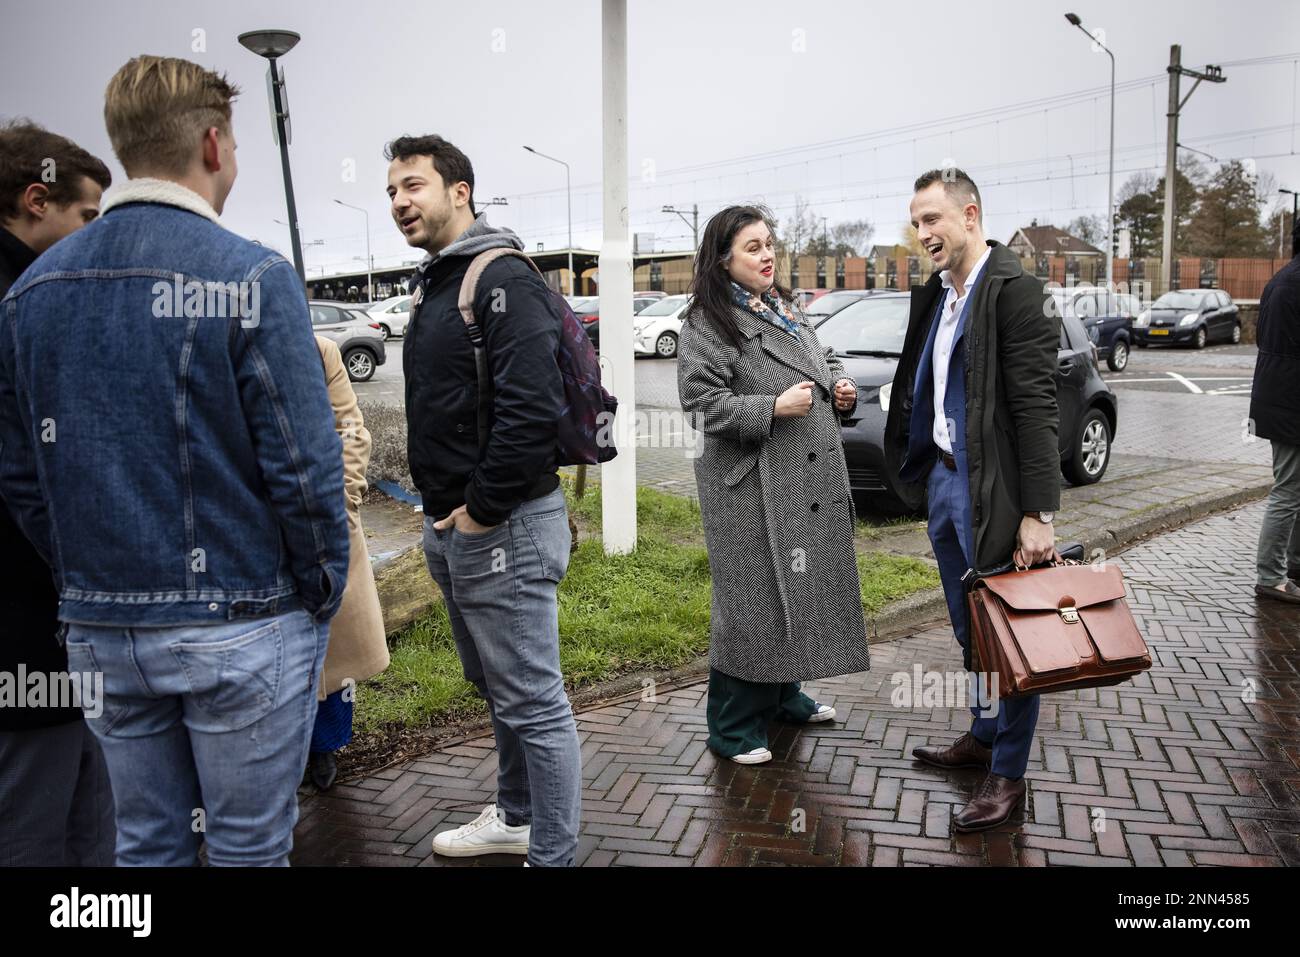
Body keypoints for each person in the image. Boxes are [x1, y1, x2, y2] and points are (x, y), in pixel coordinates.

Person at [0, 56, 350, 866]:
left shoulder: (28, 295)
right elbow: (303, 469)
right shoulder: (252, 275)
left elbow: (22, 474)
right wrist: (319, 588)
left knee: (146, 842)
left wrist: (82, 571)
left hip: (100, 629)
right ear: (214, 144)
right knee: (247, 846)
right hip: (240, 618)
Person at [387, 133, 581, 866]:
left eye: (414, 185)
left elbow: (530, 414)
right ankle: (517, 812)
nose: (401, 202)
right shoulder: (438, 279)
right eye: (392, 192)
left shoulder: (503, 276)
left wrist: (480, 512)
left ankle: (552, 853)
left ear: (459, 191)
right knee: (496, 684)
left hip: (503, 525)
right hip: (451, 525)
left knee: (534, 699)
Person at [884, 168, 1060, 831]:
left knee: (1012, 639)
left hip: (996, 493)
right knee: (970, 629)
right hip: (944, 482)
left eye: (933, 218)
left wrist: (1039, 514)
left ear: (970, 214)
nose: (923, 233)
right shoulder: (939, 295)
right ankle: (984, 734)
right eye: (916, 221)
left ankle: (1007, 776)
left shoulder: (1014, 292)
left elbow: (1037, 409)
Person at [677, 204, 868, 766]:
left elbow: (817, 356)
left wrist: (837, 382)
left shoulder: (782, 306)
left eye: (769, 245)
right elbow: (701, 406)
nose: (767, 256)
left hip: (805, 479)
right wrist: (772, 406)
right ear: (722, 258)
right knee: (754, 606)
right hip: (751, 488)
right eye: (753, 248)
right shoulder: (707, 322)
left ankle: (786, 694)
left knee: (803, 593)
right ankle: (732, 727)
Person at [0, 120, 114, 865]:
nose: (94, 239)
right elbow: (28, 476)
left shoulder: (27, 291)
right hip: (28, 622)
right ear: (37, 199)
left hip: (51, 624)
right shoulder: (20, 305)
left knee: (86, 805)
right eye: (87, 218)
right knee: (36, 826)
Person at [306, 334, 390, 790]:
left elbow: (351, 430)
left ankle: (324, 751)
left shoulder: (319, 350)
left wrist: (343, 505)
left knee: (332, 652)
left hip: (323, 522)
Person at [1249, 218, 1300, 604]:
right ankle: (1271, 575)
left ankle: (1292, 564)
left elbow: (1259, 338)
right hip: (1290, 403)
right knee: (1287, 490)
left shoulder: (1278, 280)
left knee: (1293, 487)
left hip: (1277, 398)